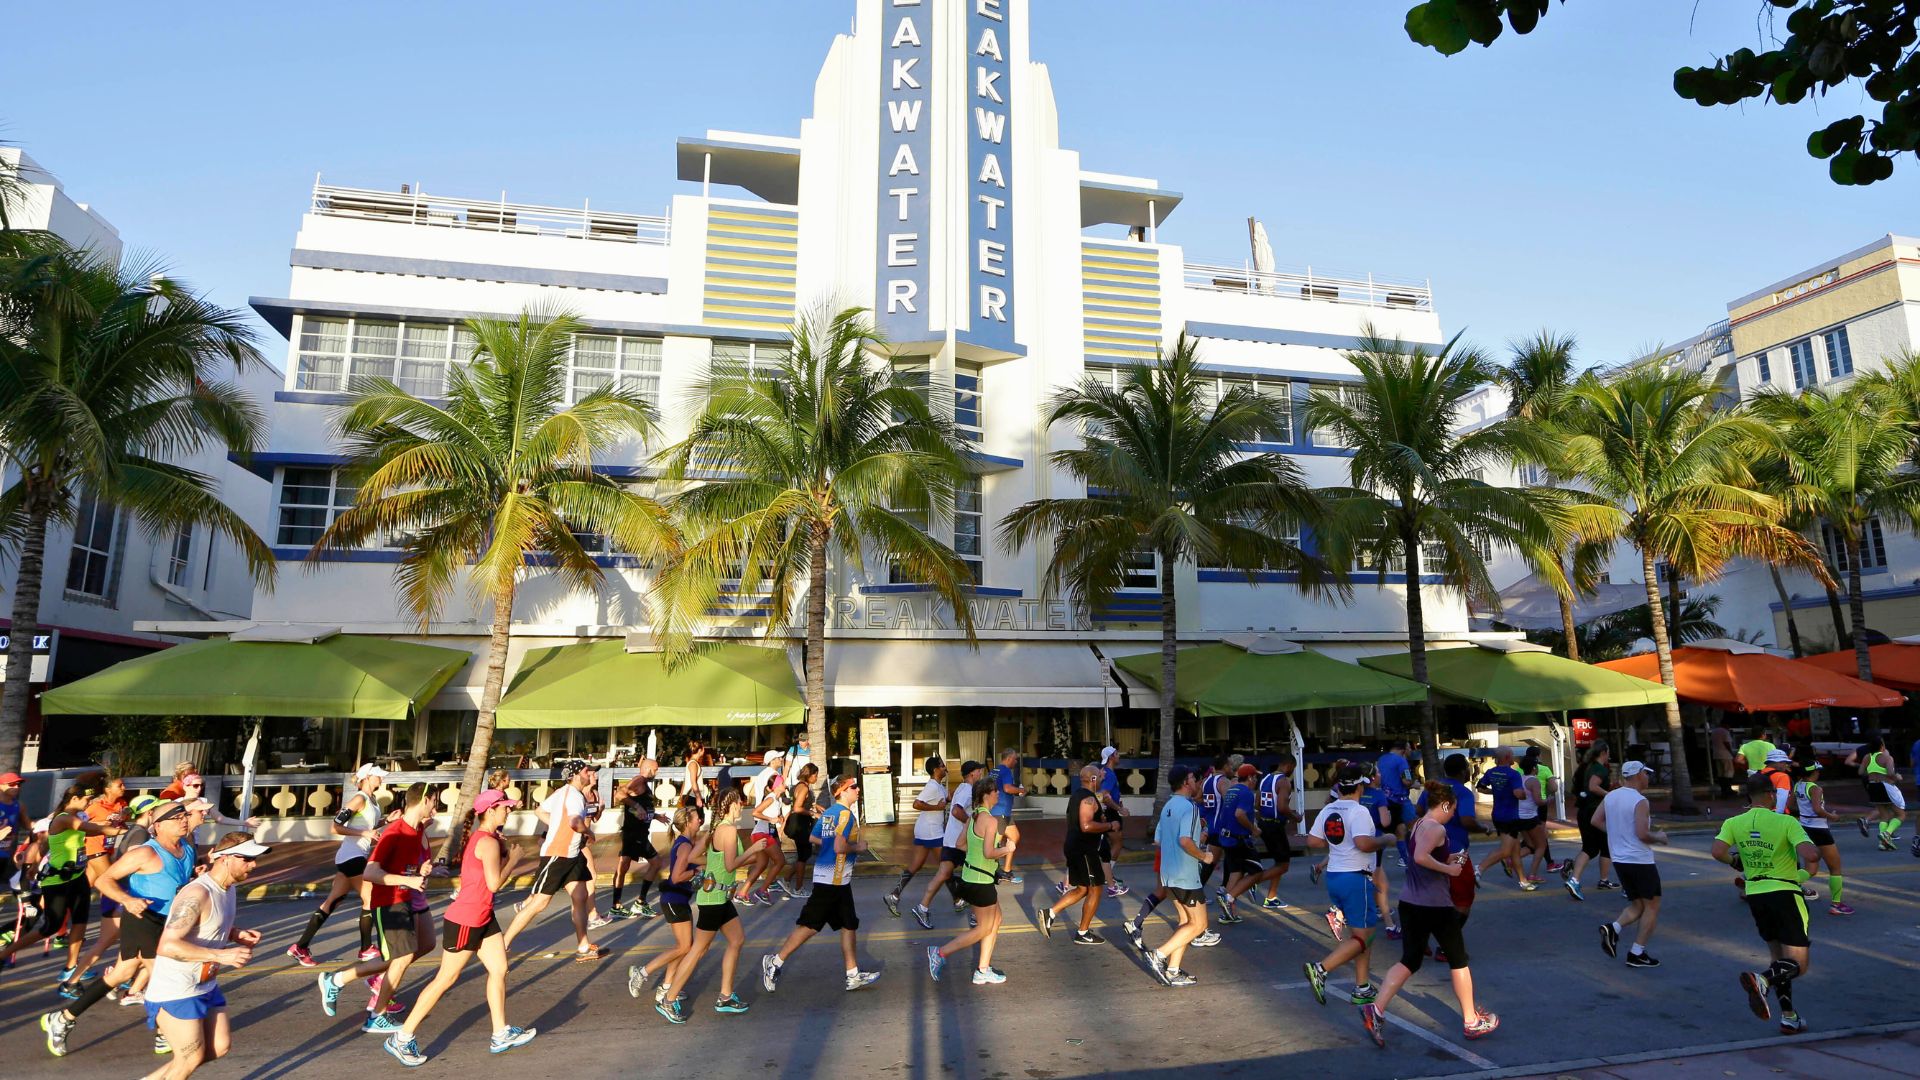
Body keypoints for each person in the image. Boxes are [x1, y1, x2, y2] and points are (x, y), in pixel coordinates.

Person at [382, 790, 536, 1066]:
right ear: (490, 811)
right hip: (466, 919)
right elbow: (493, 884)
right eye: (505, 808)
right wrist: (513, 859)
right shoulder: (486, 842)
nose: (509, 812)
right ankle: (402, 1037)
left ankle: (500, 1033)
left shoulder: (487, 839)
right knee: (445, 979)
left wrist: (504, 850)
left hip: (483, 917)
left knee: (499, 969)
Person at [35, 797, 195, 1059]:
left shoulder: (186, 849)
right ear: (159, 825)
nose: (184, 820)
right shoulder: (145, 852)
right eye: (177, 818)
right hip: (142, 917)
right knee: (165, 973)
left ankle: (62, 1018)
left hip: (168, 921)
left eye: (185, 816)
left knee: (122, 972)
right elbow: (104, 880)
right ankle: (164, 1032)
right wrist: (128, 900)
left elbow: (179, 880)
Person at [1356, 780, 1498, 1048]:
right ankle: (1471, 1021)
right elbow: (1421, 857)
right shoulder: (1436, 827)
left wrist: (1448, 861)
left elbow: (1423, 859)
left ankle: (1376, 1009)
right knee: (1458, 961)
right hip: (1435, 906)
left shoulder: (1419, 824)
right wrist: (1450, 870)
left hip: (1411, 903)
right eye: (1453, 809)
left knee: (1410, 960)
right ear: (1445, 805)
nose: (1454, 814)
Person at [138, 833, 267, 1079]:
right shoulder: (198, 894)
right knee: (189, 1058)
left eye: (255, 859)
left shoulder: (227, 889)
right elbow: (167, 946)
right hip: (176, 989)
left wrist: (236, 934)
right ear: (224, 858)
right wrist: (222, 956)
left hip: (204, 984)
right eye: (247, 858)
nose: (253, 864)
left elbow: (208, 925)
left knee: (218, 1047)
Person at [314, 782, 436, 1033]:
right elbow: (370, 872)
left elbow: (406, 865)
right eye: (434, 801)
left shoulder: (416, 829)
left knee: (424, 945)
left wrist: (419, 871)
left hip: (407, 897)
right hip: (389, 902)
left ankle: (336, 979)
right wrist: (407, 879)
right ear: (424, 800)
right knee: (399, 959)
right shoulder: (395, 832)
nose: (436, 807)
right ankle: (375, 1014)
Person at [1711, 774, 1821, 1034]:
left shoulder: (1734, 822)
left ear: (1749, 796)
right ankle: (1762, 980)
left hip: (1756, 894)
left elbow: (1717, 851)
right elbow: (1812, 854)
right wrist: (1806, 861)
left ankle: (1789, 1016)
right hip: (1785, 894)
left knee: (1779, 959)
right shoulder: (1785, 821)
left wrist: (1736, 862)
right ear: (1771, 794)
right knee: (1798, 965)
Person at [760, 774, 882, 994]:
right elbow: (839, 847)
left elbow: (814, 838)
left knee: (849, 924)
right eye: (853, 787)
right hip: (831, 880)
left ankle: (852, 974)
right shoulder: (844, 815)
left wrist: (834, 844)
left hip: (838, 879)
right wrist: (858, 848)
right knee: (810, 926)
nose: (858, 790)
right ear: (842, 791)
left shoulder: (831, 814)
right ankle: (775, 961)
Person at [658, 788, 767, 1023]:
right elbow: (730, 866)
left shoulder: (716, 829)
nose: (743, 807)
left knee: (737, 940)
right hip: (713, 900)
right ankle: (669, 999)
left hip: (720, 898)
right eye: (741, 802)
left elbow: (695, 858)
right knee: (697, 950)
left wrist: (723, 859)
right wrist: (752, 850)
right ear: (733, 805)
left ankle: (726, 996)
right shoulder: (727, 830)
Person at [4, 783, 112, 991]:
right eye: (86, 800)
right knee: (49, 927)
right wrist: (34, 866)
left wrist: (112, 822)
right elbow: (43, 843)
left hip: (77, 875)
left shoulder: (80, 817)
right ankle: (4, 954)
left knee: (80, 921)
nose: (89, 803)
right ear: (74, 799)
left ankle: (71, 967)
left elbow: (85, 832)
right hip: (57, 880)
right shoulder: (61, 818)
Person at [501, 760, 605, 962]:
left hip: (573, 855)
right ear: (575, 775)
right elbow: (575, 823)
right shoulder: (573, 795)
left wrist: (557, 824)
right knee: (539, 903)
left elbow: (539, 811)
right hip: (558, 854)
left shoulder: (564, 792)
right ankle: (504, 944)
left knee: (580, 897)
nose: (589, 774)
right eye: (586, 771)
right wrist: (589, 832)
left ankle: (583, 947)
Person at [289, 763, 387, 966]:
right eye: (378, 776)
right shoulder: (359, 798)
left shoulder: (372, 800)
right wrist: (364, 833)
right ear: (367, 777)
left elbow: (365, 826)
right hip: (352, 856)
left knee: (332, 901)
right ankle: (366, 949)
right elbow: (335, 827)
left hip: (352, 856)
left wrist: (385, 823)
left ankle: (300, 947)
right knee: (370, 899)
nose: (382, 779)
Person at [1304, 767, 1386, 1008]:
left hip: (1336, 876)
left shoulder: (1330, 809)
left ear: (1339, 786)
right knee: (1364, 937)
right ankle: (1321, 968)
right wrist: (1386, 840)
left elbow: (1313, 841)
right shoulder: (1359, 811)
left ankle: (1362, 986)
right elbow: (1364, 843)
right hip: (1355, 877)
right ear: (1360, 786)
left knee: (1362, 933)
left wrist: (1337, 842)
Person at [926, 778, 1016, 985]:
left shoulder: (974, 816)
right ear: (986, 794)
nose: (998, 794)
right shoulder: (991, 821)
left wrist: (979, 854)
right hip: (981, 881)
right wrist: (1006, 849)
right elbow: (989, 852)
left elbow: (960, 844)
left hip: (971, 876)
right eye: (996, 791)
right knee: (984, 928)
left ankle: (983, 970)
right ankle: (940, 953)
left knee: (997, 920)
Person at [627, 805, 705, 1007]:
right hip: (674, 899)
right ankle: (642, 972)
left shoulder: (687, 842)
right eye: (697, 818)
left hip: (679, 899)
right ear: (688, 822)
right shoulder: (686, 846)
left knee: (682, 948)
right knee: (685, 947)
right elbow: (677, 876)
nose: (700, 821)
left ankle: (666, 988)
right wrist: (697, 871)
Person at [1591, 760, 1667, 967]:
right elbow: (1642, 834)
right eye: (1646, 773)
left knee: (1638, 905)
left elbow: (1595, 821)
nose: (1648, 777)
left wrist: (1617, 834)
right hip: (1639, 859)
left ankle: (1613, 928)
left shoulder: (1611, 796)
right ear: (1639, 774)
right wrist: (1659, 836)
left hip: (1620, 860)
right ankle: (1636, 953)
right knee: (1652, 906)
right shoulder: (1639, 800)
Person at [1143, 765, 1213, 987]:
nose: (1196, 782)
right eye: (1193, 778)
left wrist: (1195, 837)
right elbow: (1184, 841)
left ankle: (1173, 970)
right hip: (1186, 875)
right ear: (1185, 782)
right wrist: (1203, 856)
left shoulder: (1167, 806)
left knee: (1185, 922)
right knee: (1199, 925)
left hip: (1168, 875)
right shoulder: (1190, 807)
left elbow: (1159, 840)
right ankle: (1159, 955)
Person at [1040, 765, 1120, 944]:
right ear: (1092, 779)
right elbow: (1086, 825)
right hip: (1084, 850)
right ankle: (1083, 933)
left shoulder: (1078, 795)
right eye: (1099, 776)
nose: (1101, 779)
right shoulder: (1088, 799)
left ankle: (1050, 913)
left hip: (1076, 847)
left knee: (1083, 888)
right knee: (1096, 888)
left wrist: (1100, 820)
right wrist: (1109, 826)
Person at [913, 760, 983, 929]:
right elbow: (956, 810)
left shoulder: (961, 787)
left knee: (943, 875)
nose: (981, 774)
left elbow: (951, 801)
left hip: (950, 840)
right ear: (972, 774)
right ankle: (976, 915)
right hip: (961, 842)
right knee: (977, 876)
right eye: (979, 771)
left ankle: (922, 907)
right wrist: (972, 824)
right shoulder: (967, 790)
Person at [1228, 752, 1297, 911]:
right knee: (1283, 865)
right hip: (1275, 825)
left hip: (1264, 823)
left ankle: (1271, 896)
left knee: (1279, 862)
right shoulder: (1284, 781)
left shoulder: (1265, 779)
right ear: (1288, 766)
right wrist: (1295, 816)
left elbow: (1258, 804)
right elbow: (1281, 807)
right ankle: (1251, 883)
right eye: (1292, 768)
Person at [888, 757, 949, 917]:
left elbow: (944, 800)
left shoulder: (939, 787)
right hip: (931, 831)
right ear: (935, 770)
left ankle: (893, 896)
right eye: (942, 766)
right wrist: (936, 807)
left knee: (916, 865)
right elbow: (916, 804)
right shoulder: (932, 786)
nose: (945, 768)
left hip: (925, 829)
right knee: (946, 866)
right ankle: (958, 899)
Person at [1790, 758, 1850, 916]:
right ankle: (1836, 904)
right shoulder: (1815, 788)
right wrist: (1832, 816)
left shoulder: (1798, 785)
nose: (1818, 774)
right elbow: (1818, 809)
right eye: (1817, 771)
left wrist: (1804, 814)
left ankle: (1785, 884)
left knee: (1811, 869)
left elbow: (1790, 806)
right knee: (1835, 868)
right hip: (1820, 830)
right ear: (1813, 772)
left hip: (1804, 828)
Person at [610, 761, 665, 919]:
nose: (657, 772)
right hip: (634, 834)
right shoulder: (639, 780)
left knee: (624, 866)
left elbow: (642, 809)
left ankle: (620, 905)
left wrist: (655, 816)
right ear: (647, 769)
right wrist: (635, 805)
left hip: (638, 833)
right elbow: (620, 794)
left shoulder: (643, 785)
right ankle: (634, 904)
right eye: (655, 769)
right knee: (655, 863)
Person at [1564, 741, 1616, 900]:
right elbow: (1593, 787)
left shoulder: (1588, 767)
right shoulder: (1600, 769)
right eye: (1608, 751)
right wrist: (1610, 795)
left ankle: (1576, 877)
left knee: (1590, 848)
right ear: (1604, 752)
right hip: (1595, 812)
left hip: (1585, 812)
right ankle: (1598, 880)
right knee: (1605, 846)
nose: (1609, 755)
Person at [1474, 749, 1529, 888]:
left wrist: (1496, 791)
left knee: (1515, 848)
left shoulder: (1491, 772)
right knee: (1506, 851)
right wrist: (1524, 795)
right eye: (1512, 755)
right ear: (1507, 757)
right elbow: (1517, 793)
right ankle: (1479, 869)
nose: (1514, 758)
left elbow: (1480, 787)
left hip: (1497, 814)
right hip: (1510, 816)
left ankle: (1523, 881)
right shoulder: (1514, 774)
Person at [740, 773, 790, 905]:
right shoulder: (771, 798)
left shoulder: (777, 800)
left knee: (761, 865)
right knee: (780, 861)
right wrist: (771, 819)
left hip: (762, 834)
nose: (785, 785)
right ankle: (762, 891)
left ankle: (741, 893)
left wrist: (779, 819)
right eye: (783, 783)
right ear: (777, 786)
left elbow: (773, 817)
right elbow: (755, 812)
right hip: (762, 834)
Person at [1852, 736, 1906, 850]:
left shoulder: (1867, 757)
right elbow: (1891, 773)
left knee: (1884, 815)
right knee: (1901, 814)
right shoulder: (1887, 757)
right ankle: (1887, 834)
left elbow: (1861, 771)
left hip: (1872, 786)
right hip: (1885, 786)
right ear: (1882, 746)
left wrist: (1873, 772)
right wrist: (1898, 777)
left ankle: (1883, 843)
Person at [781, 762, 821, 898]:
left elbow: (801, 803)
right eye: (815, 775)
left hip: (798, 823)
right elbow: (797, 808)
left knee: (803, 855)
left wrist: (817, 807)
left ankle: (786, 879)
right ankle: (798, 888)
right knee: (804, 855)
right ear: (810, 775)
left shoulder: (799, 786)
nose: (816, 778)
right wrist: (812, 813)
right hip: (800, 824)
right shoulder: (804, 788)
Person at [1095, 747, 1130, 897]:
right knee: (1117, 842)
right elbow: (1103, 795)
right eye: (1116, 754)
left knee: (1105, 845)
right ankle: (1107, 874)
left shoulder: (1107, 772)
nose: (1118, 755)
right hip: (1110, 813)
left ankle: (1106, 873)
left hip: (1109, 811)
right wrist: (1118, 809)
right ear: (1111, 757)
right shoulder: (1109, 774)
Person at [1375, 741, 1414, 863]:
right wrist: (1414, 783)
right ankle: (1409, 858)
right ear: (1403, 750)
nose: (1411, 751)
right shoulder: (1401, 761)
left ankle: (1405, 858)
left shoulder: (1381, 759)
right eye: (1409, 748)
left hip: (1384, 799)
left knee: (1398, 829)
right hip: (1399, 800)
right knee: (1415, 827)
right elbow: (1407, 781)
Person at [990, 748, 1026, 883]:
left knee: (1014, 837)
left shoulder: (994, 771)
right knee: (994, 843)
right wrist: (1021, 790)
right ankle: (992, 871)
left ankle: (1006, 870)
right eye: (1015, 759)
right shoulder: (1006, 771)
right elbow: (1007, 788)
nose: (1016, 761)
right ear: (1009, 758)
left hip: (1001, 811)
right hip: (1000, 812)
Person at [1711, 722, 1737, 798]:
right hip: (1725, 755)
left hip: (1716, 754)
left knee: (1720, 773)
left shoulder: (1714, 731)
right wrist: (1731, 753)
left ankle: (1723, 790)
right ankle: (1728, 789)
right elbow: (1727, 743)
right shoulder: (1725, 732)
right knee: (1729, 772)